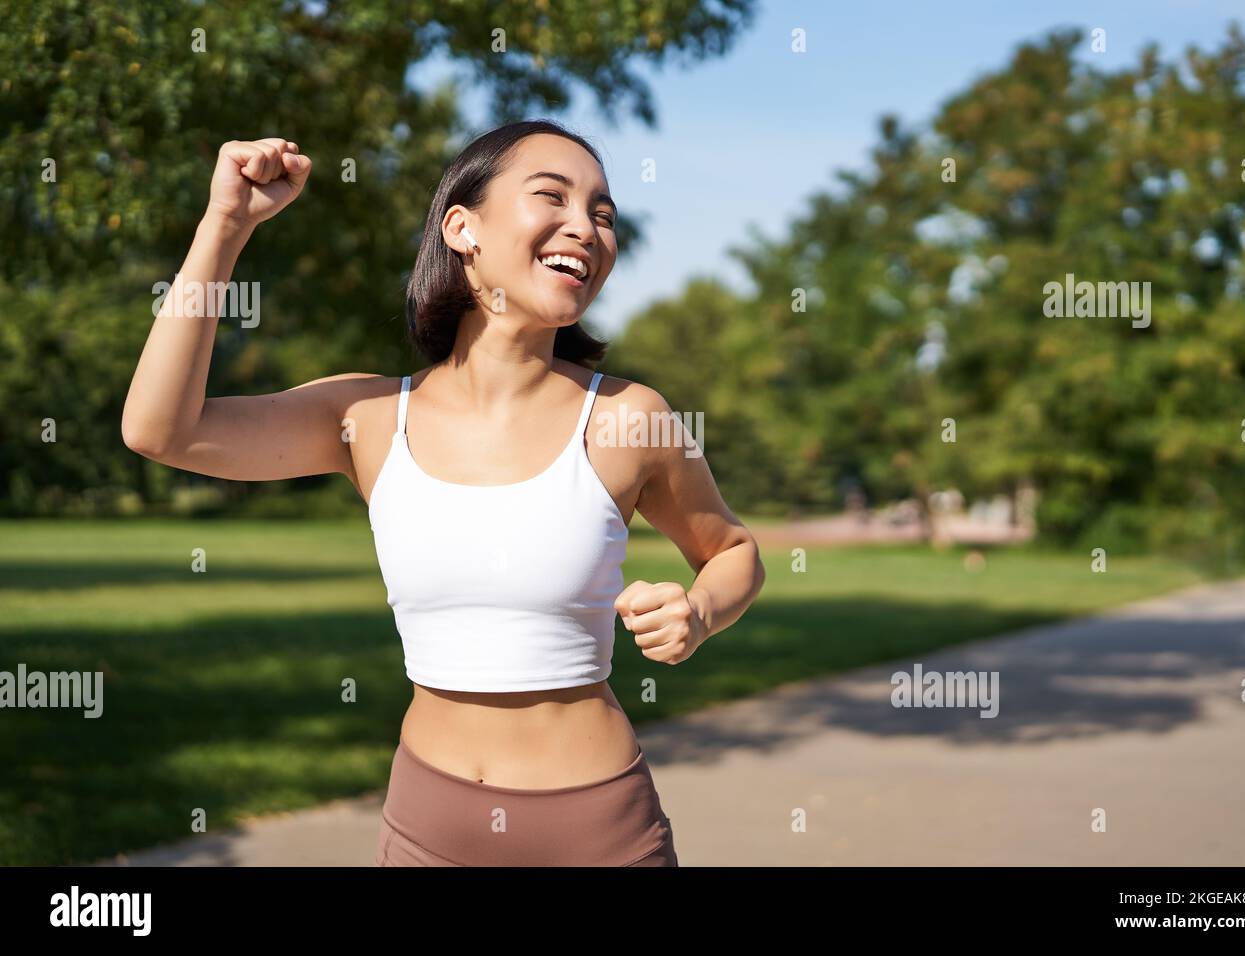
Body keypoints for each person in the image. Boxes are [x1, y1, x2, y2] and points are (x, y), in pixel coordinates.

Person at [120, 119, 766, 866]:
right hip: (431, 826)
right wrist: (224, 227)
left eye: (602, 213)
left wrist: (698, 612)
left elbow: (733, 550)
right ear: (463, 228)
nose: (584, 228)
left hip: (597, 829)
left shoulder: (630, 418)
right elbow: (159, 429)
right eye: (551, 197)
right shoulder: (365, 418)